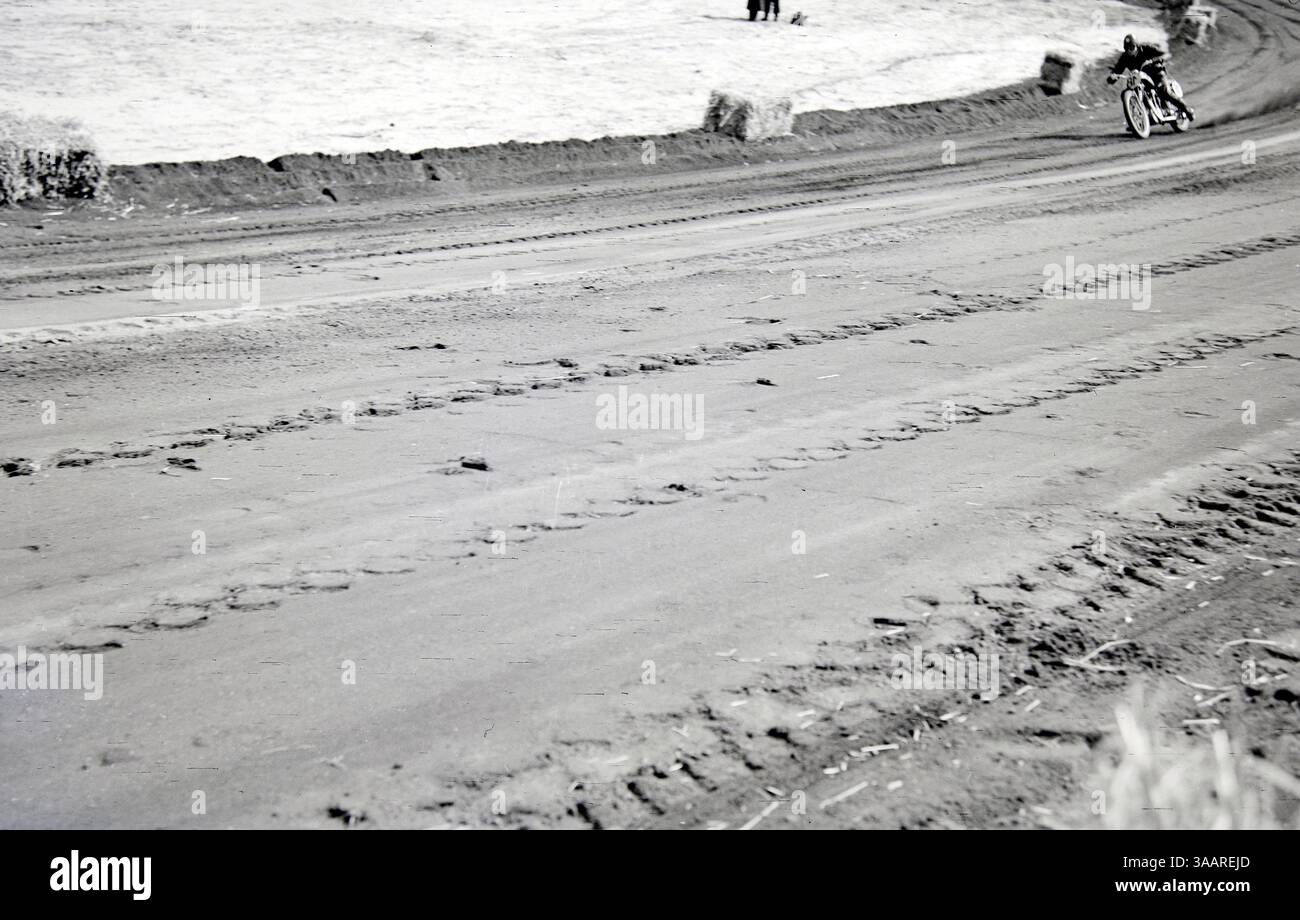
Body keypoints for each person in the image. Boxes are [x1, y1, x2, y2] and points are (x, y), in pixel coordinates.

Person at [1107, 33, 1194, 122]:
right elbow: (1117, 70)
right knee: (1130, 92)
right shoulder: (1124, 57)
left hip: (1156, 73)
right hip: (1141, 79)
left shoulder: (1145, 48)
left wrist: (1153, 60)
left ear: (1137, 45)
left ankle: (1187, 109)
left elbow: (1165, 54)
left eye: (1132, 47)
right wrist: (1113, 76)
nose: (1129, 51)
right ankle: (1138, 119)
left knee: (1164, 90)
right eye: (1127, 48)